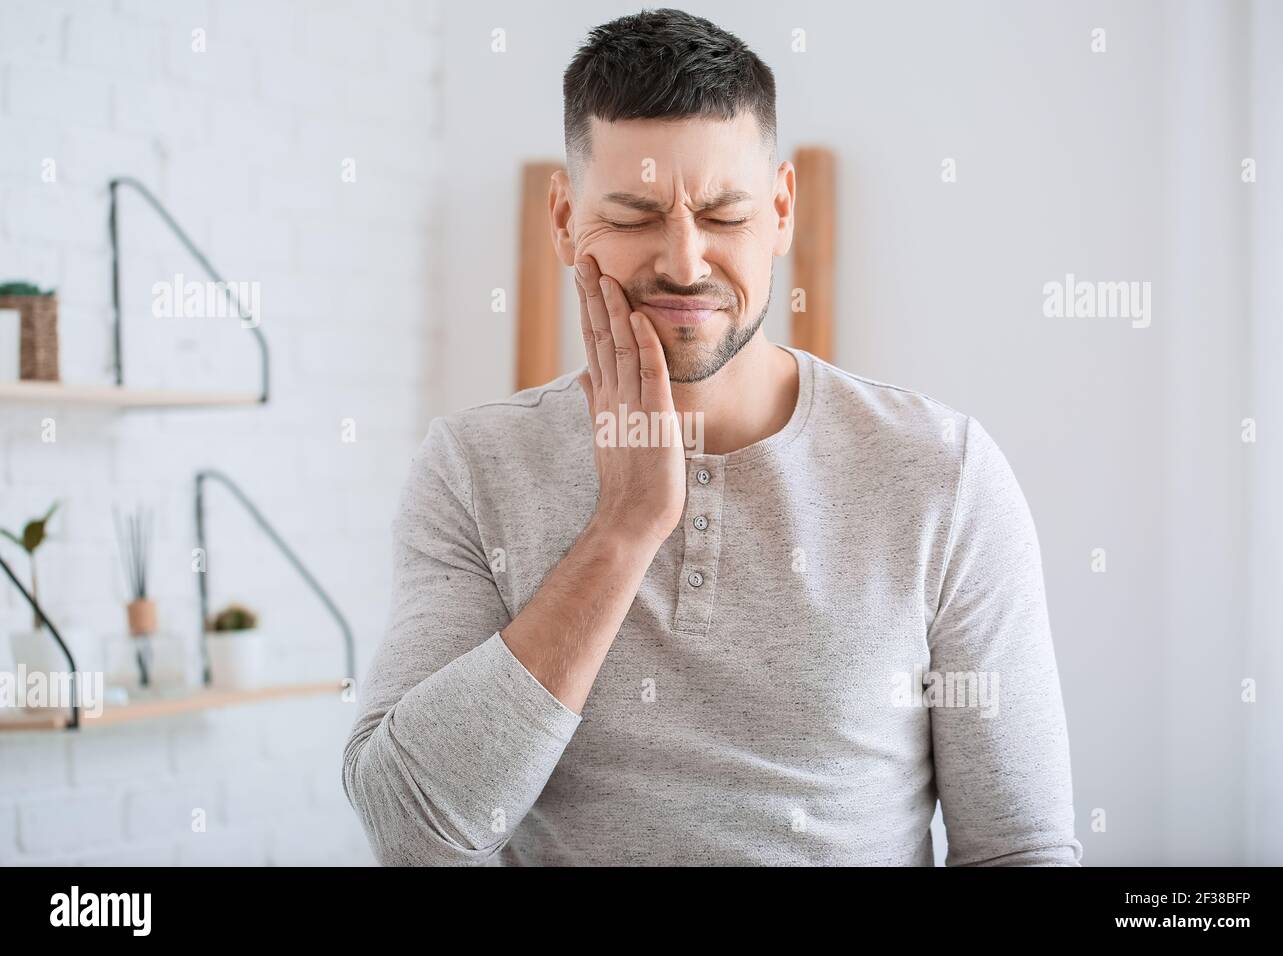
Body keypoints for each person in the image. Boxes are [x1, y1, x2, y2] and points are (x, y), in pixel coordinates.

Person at [342, 7, 1082, 866]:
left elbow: (1018, 849)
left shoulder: (941, 474)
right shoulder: (473, 469)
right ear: (562, 218)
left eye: (725, 214)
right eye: (632, 215)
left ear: (780, 210)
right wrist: (626, 524)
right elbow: (411, 829)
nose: (685, 262)